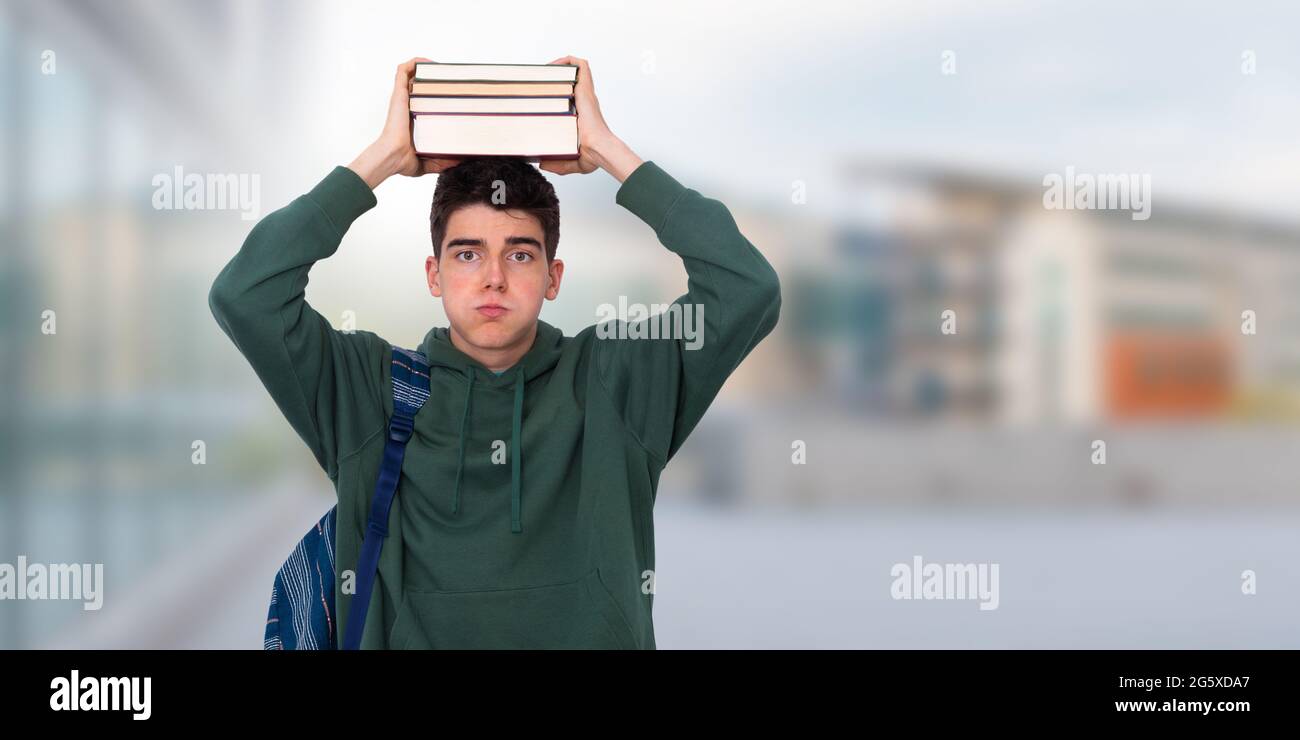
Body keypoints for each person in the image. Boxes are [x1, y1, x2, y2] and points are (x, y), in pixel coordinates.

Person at [208, 55, 781, 649]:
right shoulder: (368, 390)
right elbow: (245, 295)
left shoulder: (620, 377)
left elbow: (747, 289)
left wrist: (610, 151)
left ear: (553, 277)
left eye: (521, 254)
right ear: (434, 274)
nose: (494, 278)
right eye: (467, 253)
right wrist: (380, 159)